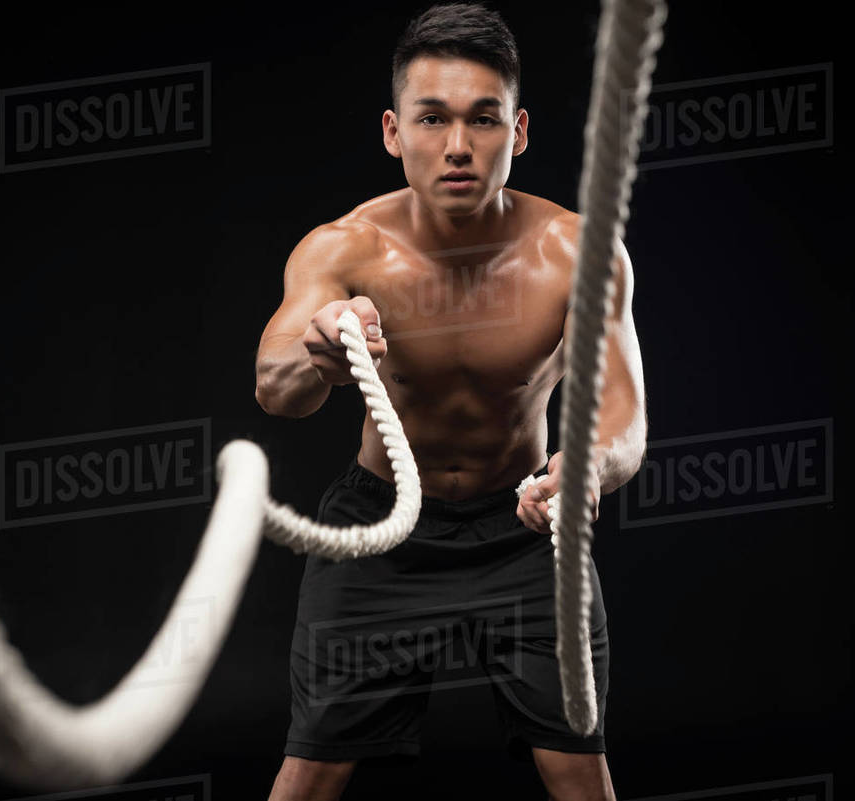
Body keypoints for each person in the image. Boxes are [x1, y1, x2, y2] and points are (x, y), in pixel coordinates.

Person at [254, 3, 647, 799]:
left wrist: (586, 470)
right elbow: (273, 386)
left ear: (521, 131)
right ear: (395, 131)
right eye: (433, 119)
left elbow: (623, 418)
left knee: (581, 772)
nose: (459, 147)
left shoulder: (578, 252)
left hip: (525, 529)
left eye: (483, 119)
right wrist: (324, 352)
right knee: (310, 771)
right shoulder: (345, 248)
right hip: (380, 528)